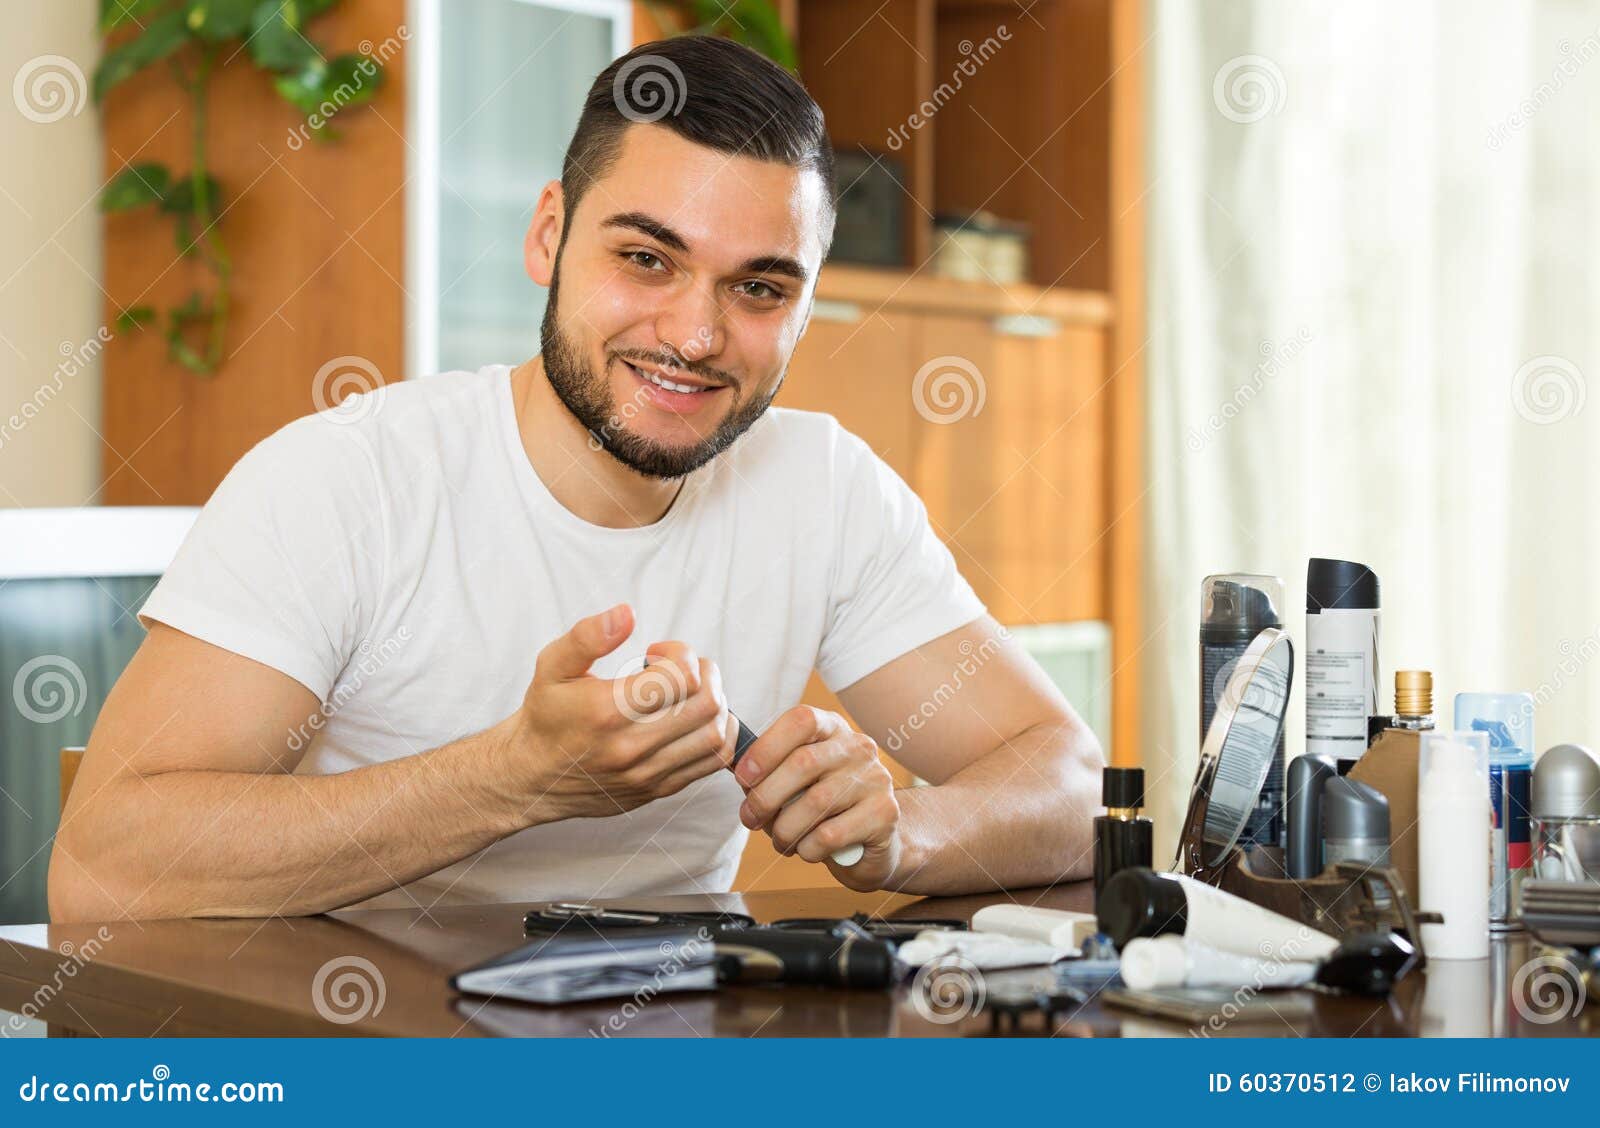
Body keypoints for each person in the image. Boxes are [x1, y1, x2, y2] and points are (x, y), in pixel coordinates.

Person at [49, 36, 1101, 922]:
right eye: (646, 259)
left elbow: (1071, 783)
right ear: (549, 234)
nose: (694, 333)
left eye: (760, 287)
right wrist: (511, 779)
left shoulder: (824, 489)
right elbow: (102, 868)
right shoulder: (342, 483)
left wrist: (900, 833)